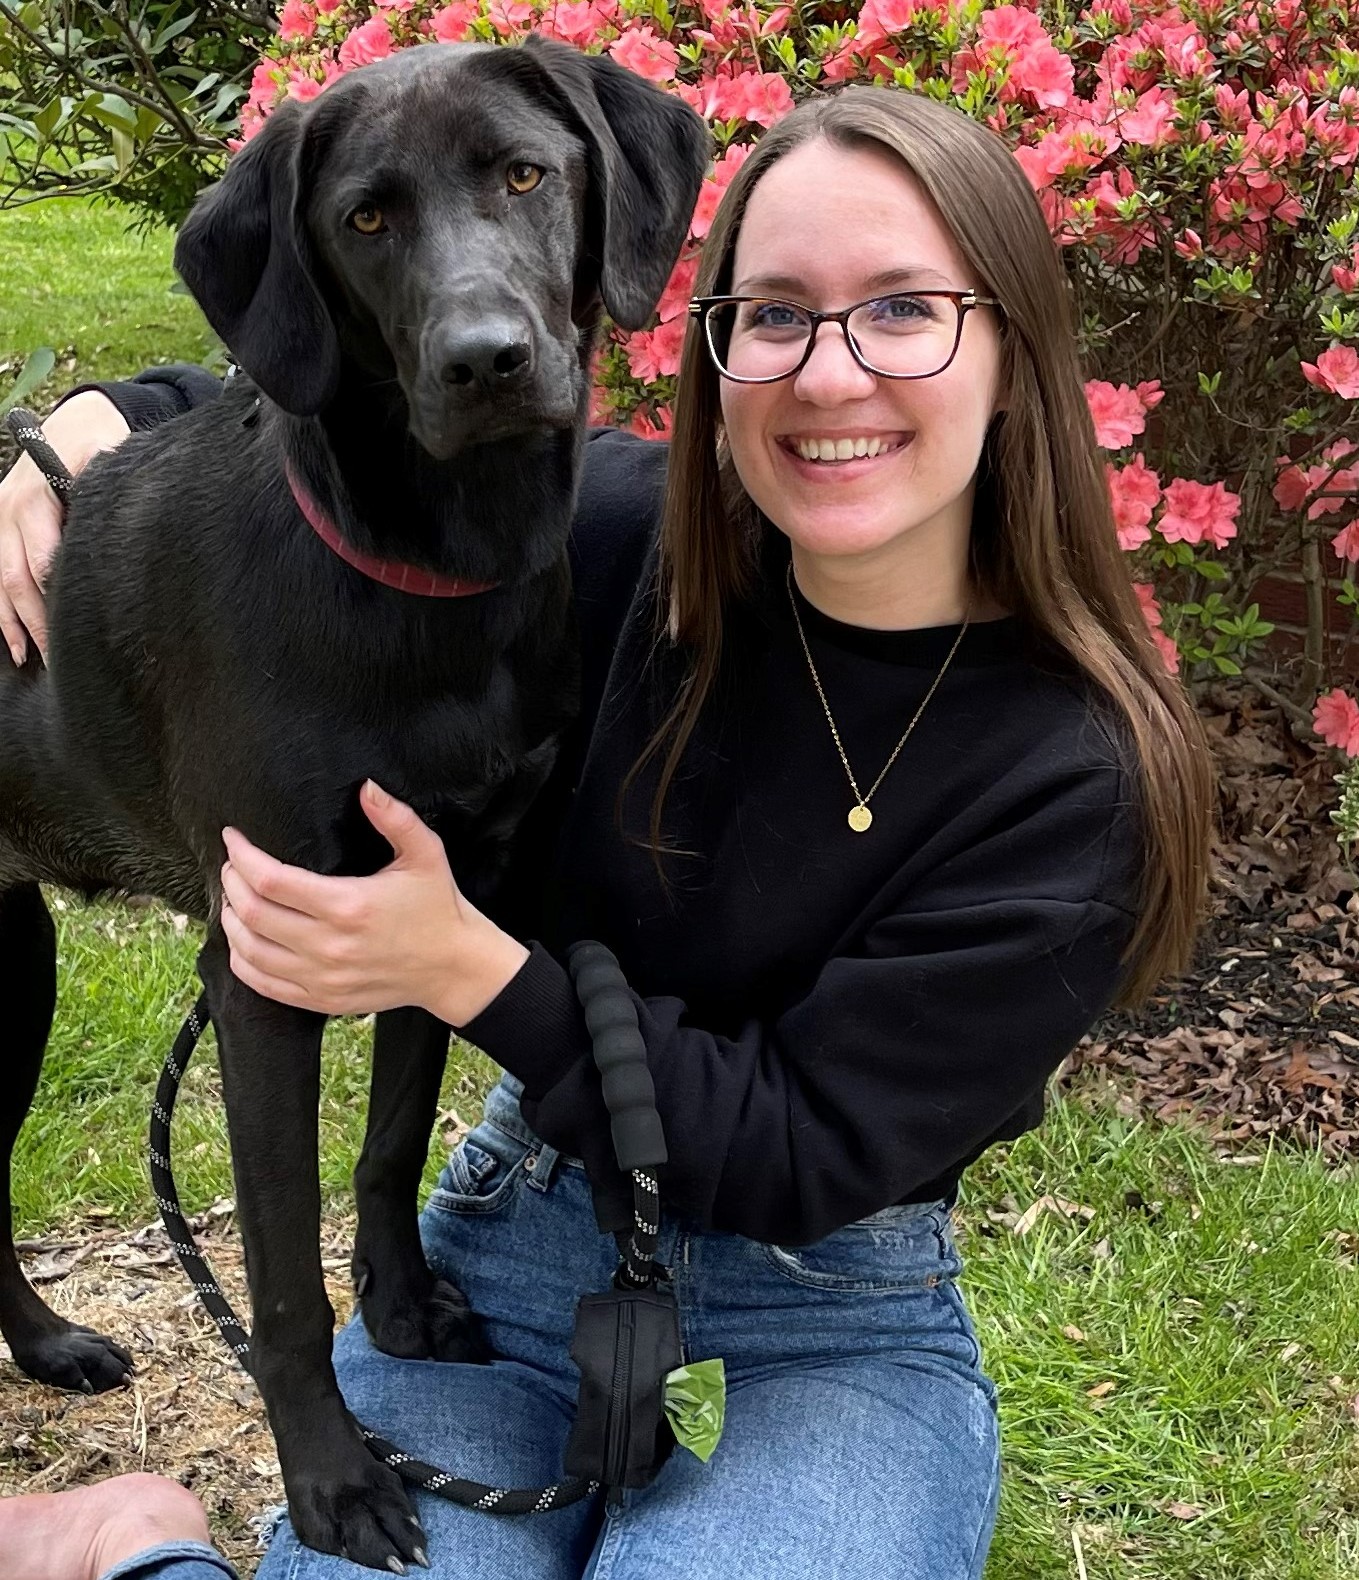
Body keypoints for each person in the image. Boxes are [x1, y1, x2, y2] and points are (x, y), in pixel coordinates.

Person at [0, 84, 1213, 1580]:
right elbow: (297, 402)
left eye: (903, 312)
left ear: (1018, 349)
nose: (831, 376)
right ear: (710, 340)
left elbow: (798, 1153)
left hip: (834, 1297)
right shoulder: (610, 538)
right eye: (774, 314)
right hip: (530, 1234)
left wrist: (468, 971)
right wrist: (76, 430)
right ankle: (127, 1536)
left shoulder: (1074, 782)